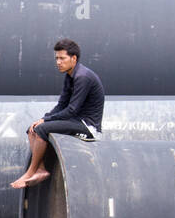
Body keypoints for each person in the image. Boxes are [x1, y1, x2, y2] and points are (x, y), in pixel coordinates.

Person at [10, 38, 105, 188]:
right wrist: (43, 118)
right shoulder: (70, 76)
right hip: (75, 121)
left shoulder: (82, 77)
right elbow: (61, 105)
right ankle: (40, 169)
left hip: (88, 127)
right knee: (32, 129)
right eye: (57, 58)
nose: (58, 62)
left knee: (42, 129)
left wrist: (46, 122)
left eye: (62, 58)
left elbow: (71, 110)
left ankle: (30, 172)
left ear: (74, 58)